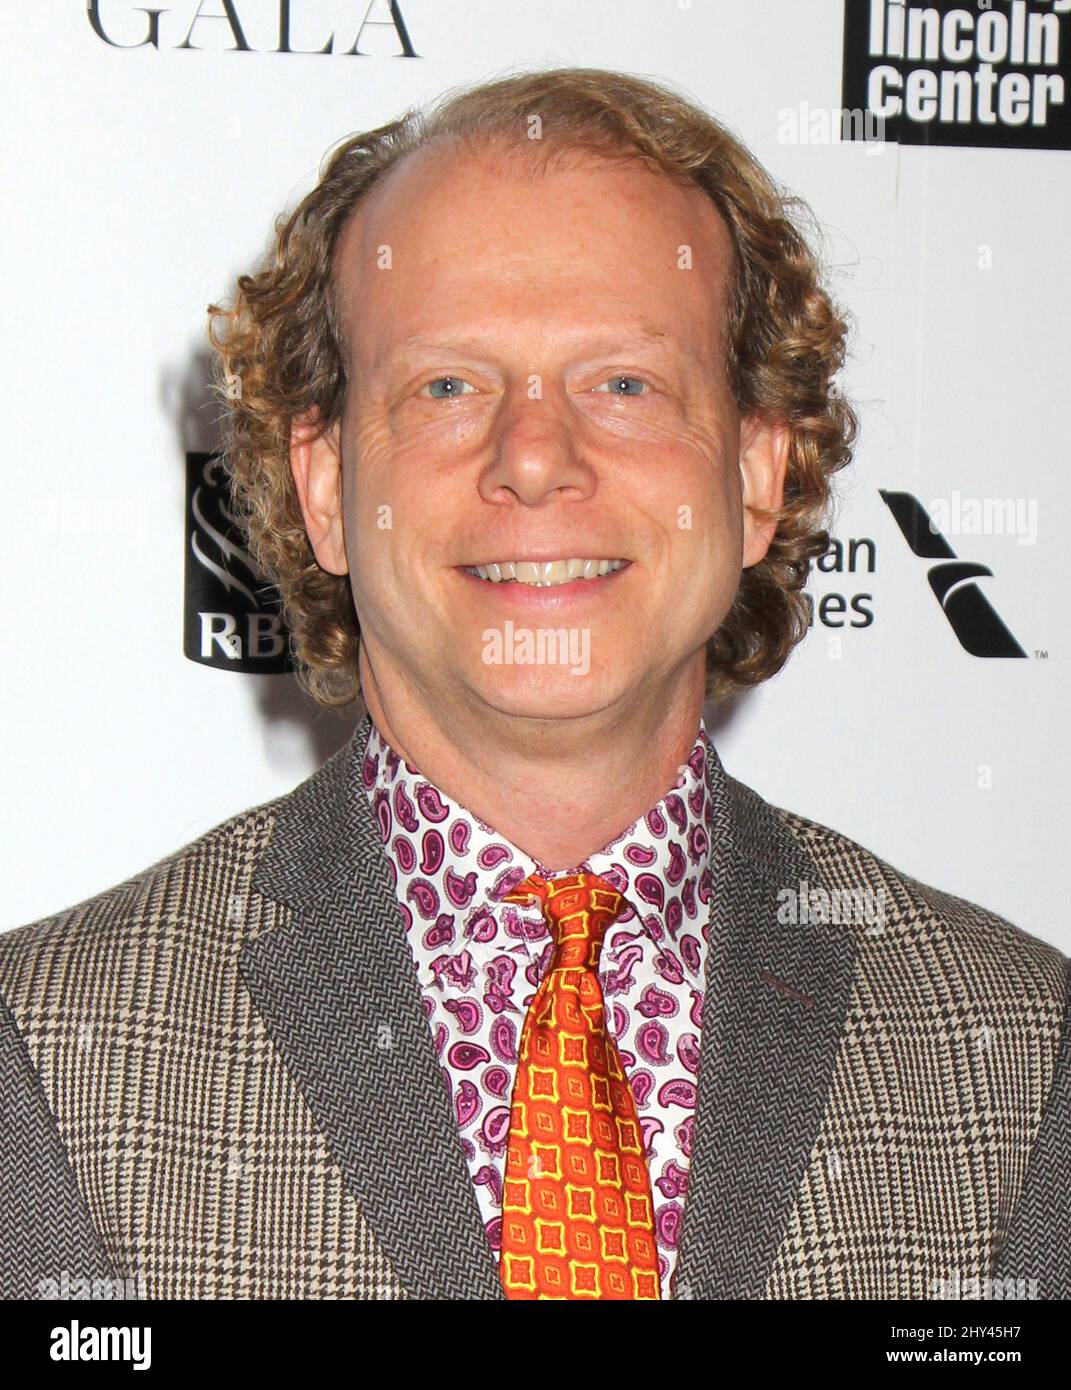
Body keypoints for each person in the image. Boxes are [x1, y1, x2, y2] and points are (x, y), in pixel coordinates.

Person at [2, 67, 1066, 1302]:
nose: (535, 457)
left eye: (624, 382)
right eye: (449, 385)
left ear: (758, 472)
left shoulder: (1022, 1066)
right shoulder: (45, 1064)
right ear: (327, 488)